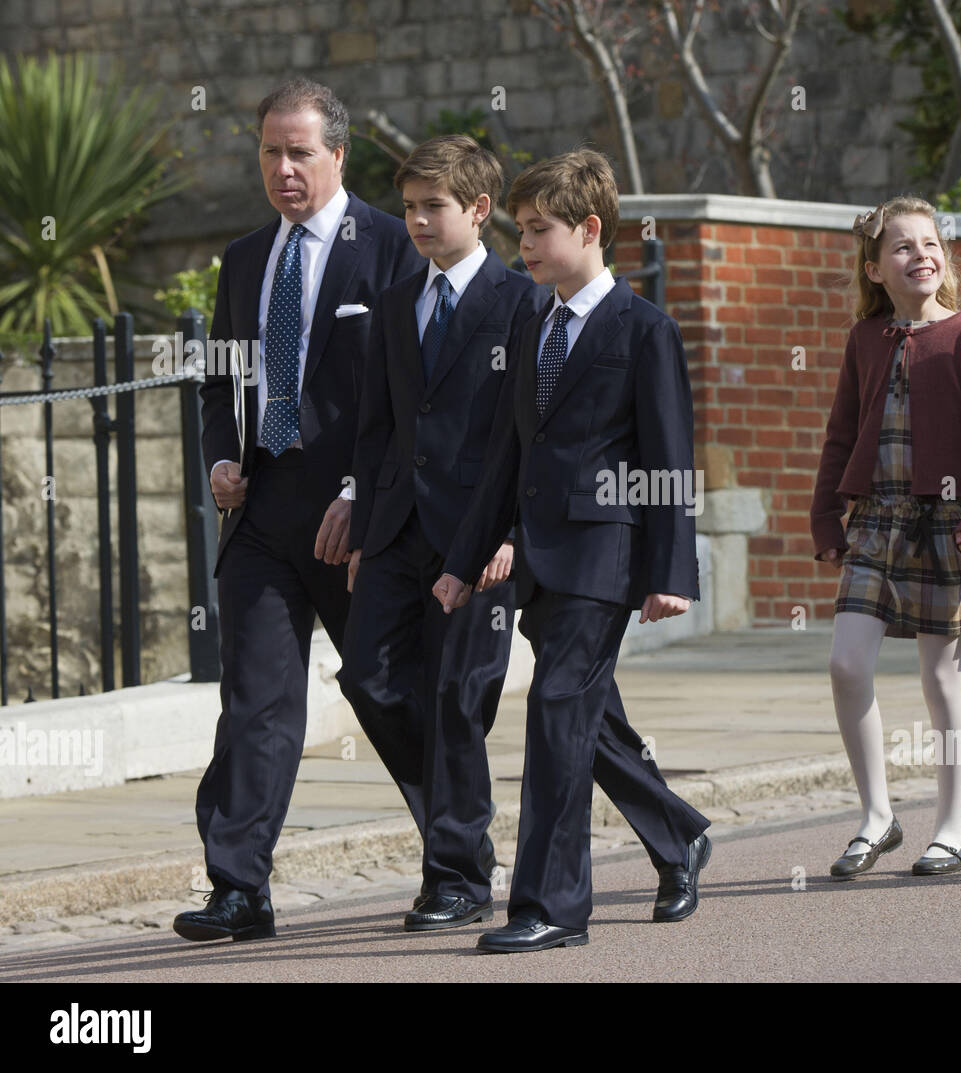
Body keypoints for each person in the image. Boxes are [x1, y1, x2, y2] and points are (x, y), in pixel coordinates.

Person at [432, 149, 711, 953]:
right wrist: (462, 558)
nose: (524, 244)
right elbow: (505, 454)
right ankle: (680, 833)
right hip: (536, 559)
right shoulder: (530, 321)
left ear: (590, 229)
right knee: (589, 717)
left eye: (538, 229)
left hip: (604, 554)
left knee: (555, 709)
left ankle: (552, 903)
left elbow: (668, 459)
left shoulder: (645, 328)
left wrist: (671, 572)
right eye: (519, 229)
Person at [175, 79, 422, 943]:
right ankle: (240, 885)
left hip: (360, 514)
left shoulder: (390, 247)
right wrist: (220, 458)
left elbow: (409, 395)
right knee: (254, 702)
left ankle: (457, 858)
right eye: (271, 152)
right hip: (265, 514)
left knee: (387, 689)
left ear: (338, 155)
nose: (283, 169)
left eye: (300, 153)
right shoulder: (246, 259)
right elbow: (221, 381)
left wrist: (361, 494)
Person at [335, 135, 548, 932]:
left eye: (434, 207)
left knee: (460, 699)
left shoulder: (523, 301)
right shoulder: (395, 304)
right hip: (394, 529)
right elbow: (378, 423)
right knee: (368, 679)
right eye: (409, 207)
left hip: (480, 538)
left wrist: (514, 532)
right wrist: (360, 518)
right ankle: (459, 832)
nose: (417, 221)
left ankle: (455, 873)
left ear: (480, 210)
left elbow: (536, 432)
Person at [811, 197, 961, 881]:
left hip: (947, 525)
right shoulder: (864, 337)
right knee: (846, 663)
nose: (921, 255)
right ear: (874, 267)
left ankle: (952, 828)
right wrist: (824, 517)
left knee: (940, 673)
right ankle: (877, 815)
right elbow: (841, 430)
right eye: (902, 247)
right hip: (874, 520)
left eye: (930, 243)